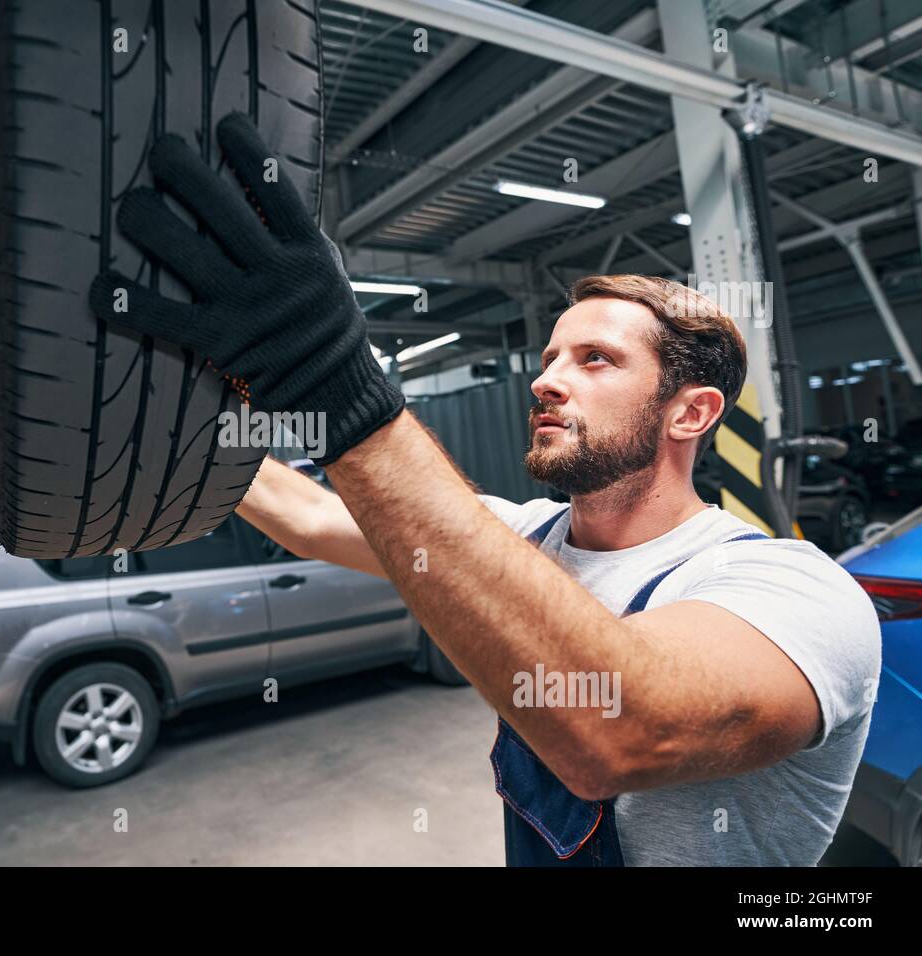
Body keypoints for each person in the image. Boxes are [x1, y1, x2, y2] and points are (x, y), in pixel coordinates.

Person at [89, 113, 881, 866]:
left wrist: (332, 384)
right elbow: (309, 515)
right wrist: (167, 418)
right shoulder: (524, 537)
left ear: (690, 411)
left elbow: (619, 728)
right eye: (549, 358)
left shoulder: (792, 588)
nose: (546, 381)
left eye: (595, 359)